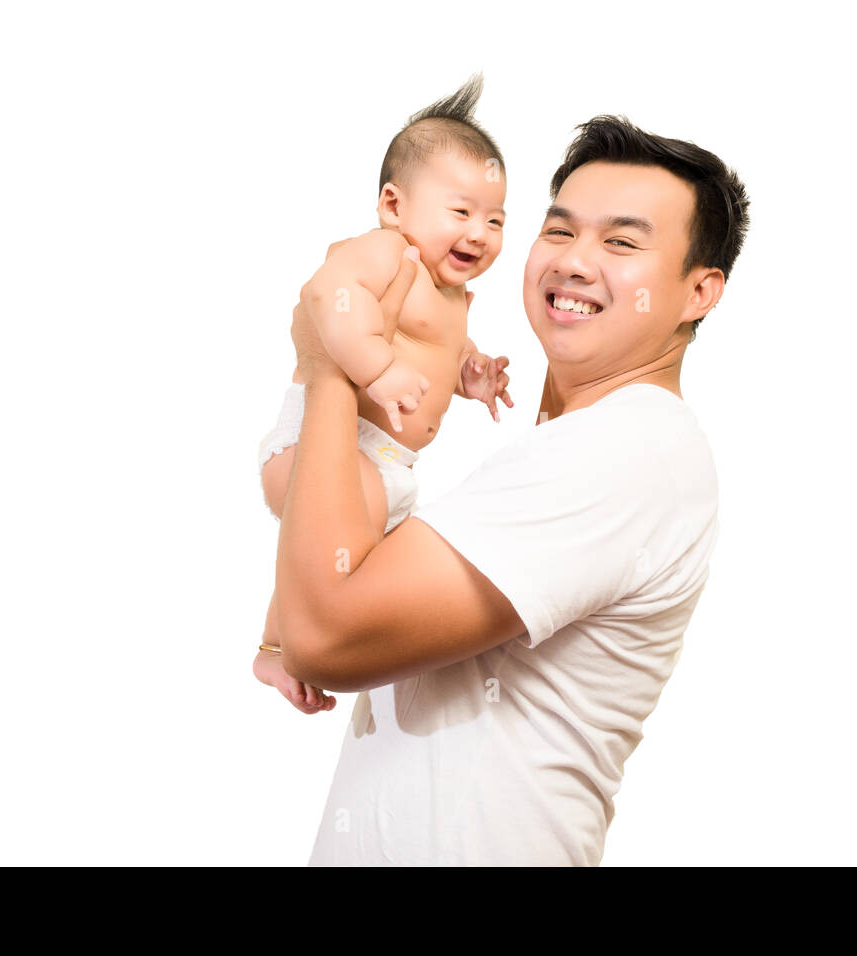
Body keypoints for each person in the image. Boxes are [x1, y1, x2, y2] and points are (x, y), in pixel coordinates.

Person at [254, 114, 751, 865]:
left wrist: (330, 366)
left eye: (620, 242)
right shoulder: (575, 445)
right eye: (559, 232)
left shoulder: (627, 447)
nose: (576, 262)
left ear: (698, 291)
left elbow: (325, 636)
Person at [254, 74, 514, 711]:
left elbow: (440, 355)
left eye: (495, 219)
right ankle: (282, 645)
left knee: (352, 563)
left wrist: (471, 374)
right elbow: (327, 297)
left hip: (387, 464)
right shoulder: (386, 252)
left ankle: (275, 649)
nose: (479, 232)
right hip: (331, 441)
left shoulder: (450, 294)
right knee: (339, 562)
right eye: (461, 212)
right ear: (395, 207)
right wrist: (373, 368)